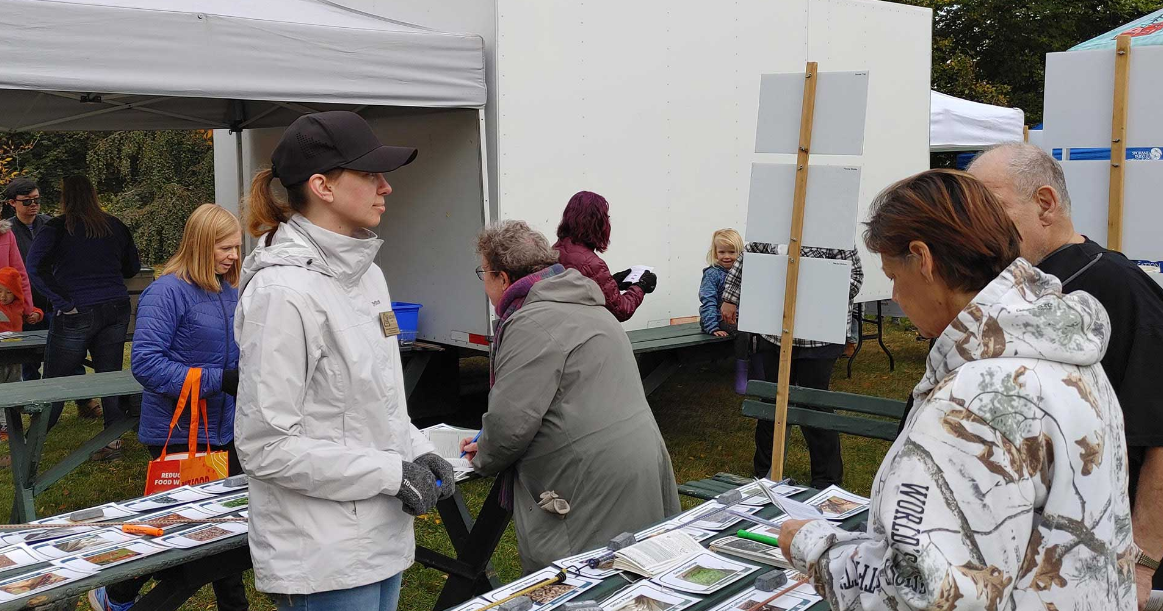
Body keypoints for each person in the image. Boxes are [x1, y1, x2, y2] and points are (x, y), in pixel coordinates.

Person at [778, 169, 1136, 610]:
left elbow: (931, 594)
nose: (894, 294)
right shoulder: (1065, 351)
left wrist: (816, 550)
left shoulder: (977, 400)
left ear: (922, 259)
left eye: (893, 274)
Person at [234, 111, 456, 610]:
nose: (386, 187)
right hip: (321, 556)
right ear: (322, 186)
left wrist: (415, 450)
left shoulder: (368, 276)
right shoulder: (282, 291)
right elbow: (266, 446)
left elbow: (379, 403)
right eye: (370, 174)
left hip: (382, 538)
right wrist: (390, 473)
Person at [968, 142, 1163, 605]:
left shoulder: (1121, 290)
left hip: (1095, 558)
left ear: (1045, 204)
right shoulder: (1009, 285)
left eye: (991, 209)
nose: (976, 227)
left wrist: (1143, 561)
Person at [460, 220, 680, 573]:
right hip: (637, 461)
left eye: (483, 273)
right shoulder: (588, 304)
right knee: (628, 579)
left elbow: (511, 423)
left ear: (502, 278)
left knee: (580, 584)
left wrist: (485, 454)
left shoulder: (531, 321)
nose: (483, 283)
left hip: (588, 478)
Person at [87, 204, 246, 611]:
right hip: (178, 433)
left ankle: (231, 605)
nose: (233, 256)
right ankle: (118, 593)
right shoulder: (167, 291)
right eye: (225, 248)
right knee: (173, 528)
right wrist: (219, 379)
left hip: (225, 429)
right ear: (200, 244)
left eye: (237, 247)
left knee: (223, 530)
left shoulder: (228, 291)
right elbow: (147, 364)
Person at [720, 242, 862, 485]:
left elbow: (854, 281)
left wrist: (807, 278)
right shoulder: (773, 224)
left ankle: (827, 479)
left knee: (814, 404)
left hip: (818, 339)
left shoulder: (834, 231)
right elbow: (748, 258)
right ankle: (766, 472)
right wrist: (730, 298)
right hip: (775, 334)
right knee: (772, 401)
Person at [26, 176, 140, 455]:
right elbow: (132, 268)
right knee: (109, 376)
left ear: (65, 197)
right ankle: (112, 441)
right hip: (115, 307)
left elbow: (34, 267)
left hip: (76, 310)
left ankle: (29, 445)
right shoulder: (114, 225)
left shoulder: (57, 228)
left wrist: (62, 301)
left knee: (54, 382)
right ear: (94, 194)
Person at [4, 178, 98, 414]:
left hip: (56, 302)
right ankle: (36, 404)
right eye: (27, 202)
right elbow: (19, 273)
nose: (33, 205)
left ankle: (83, 401)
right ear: (12, 203)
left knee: (73, 353)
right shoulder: (8, 232)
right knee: (29, 359)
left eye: (36, 200)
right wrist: (24, 307)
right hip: (26, 306)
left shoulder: (51, 225)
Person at [553, 191, 656, 322]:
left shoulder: (555, 251)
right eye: (605, 217)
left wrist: (614, 282)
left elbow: (579, 293)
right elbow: (621, 310)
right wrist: (641, 287)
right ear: (597, 222)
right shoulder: (592, 264)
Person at [698, 228, 760, 394]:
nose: (727, 256)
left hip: (740, 317)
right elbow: (708, 301)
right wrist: (713, 327)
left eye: (732, 252)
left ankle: (759, 373)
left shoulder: (745, 274)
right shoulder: (712, 274)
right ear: (715, 252)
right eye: (722, 252)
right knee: (743, 333)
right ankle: (741, 373)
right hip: (718, 318)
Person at [0, 266, 42, 457]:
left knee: (14, 384)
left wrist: (36, 315)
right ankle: (3, 424)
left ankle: (12, 420)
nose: (3, 296)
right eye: (0, 291)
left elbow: (32, 310)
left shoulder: (18, 305)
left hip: (15, 355)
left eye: (9, 292)